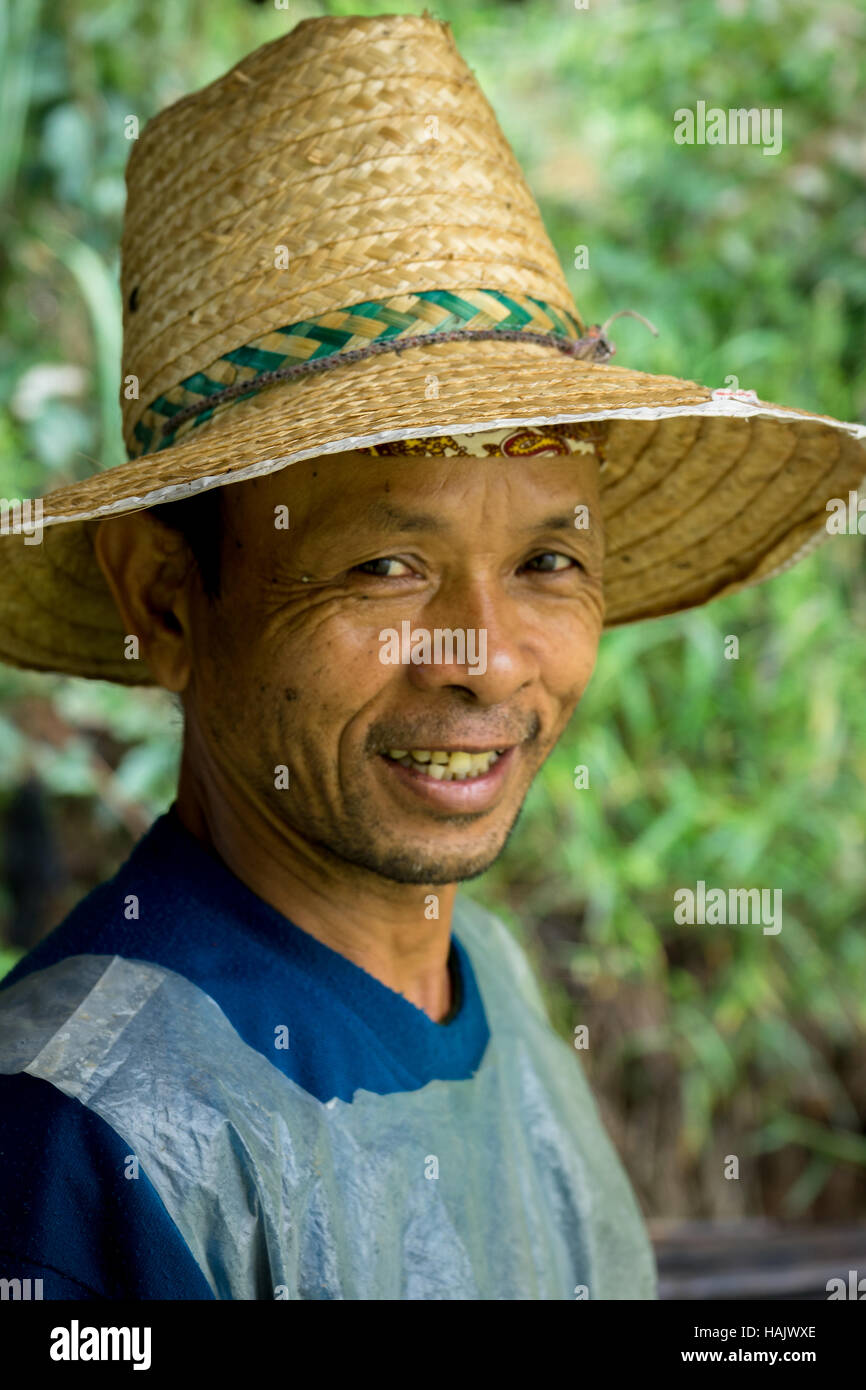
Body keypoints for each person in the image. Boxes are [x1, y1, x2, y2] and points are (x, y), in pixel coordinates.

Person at [0, 12, 863, 1301]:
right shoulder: (80, 1137)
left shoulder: (489, 979)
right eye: (384, 567)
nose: (489, 661)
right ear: (169, 603)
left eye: (548, 561)